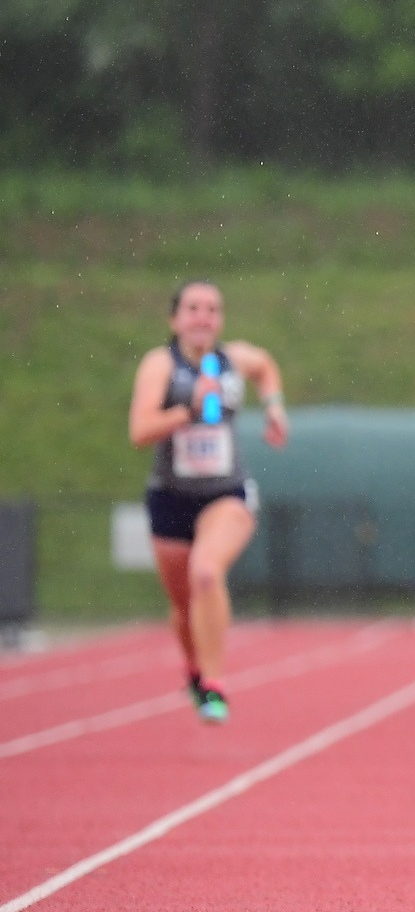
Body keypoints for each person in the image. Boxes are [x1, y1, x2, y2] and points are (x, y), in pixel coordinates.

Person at [127, 280, 288, 724]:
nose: (203, 317)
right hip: (171, 497)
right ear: (175, 319)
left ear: (220, 320)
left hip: (226, 493)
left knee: (205, 572)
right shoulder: (161, 366)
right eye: (193, 309)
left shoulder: (233, 361)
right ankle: (195, 670)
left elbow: (266, 367)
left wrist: (274, 406)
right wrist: (189, 411)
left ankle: (215, 684)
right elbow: (139, 431)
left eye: (212, 310)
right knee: (183, 608)